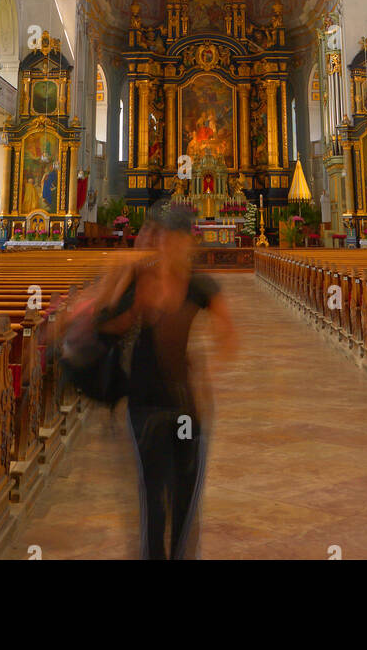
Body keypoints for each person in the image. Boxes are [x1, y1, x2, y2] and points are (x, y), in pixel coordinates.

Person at [100, 205, 237, 560]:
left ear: (186, 242)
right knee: (153, 492)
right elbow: (107, 325)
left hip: (184, 407)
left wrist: (208, 372)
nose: (169, 247)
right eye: (164, 239)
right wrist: (129, 303)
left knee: (183, 490)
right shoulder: (138, 276)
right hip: (144, 404)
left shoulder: (199, 285)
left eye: (175, 240)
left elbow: (229, 335)